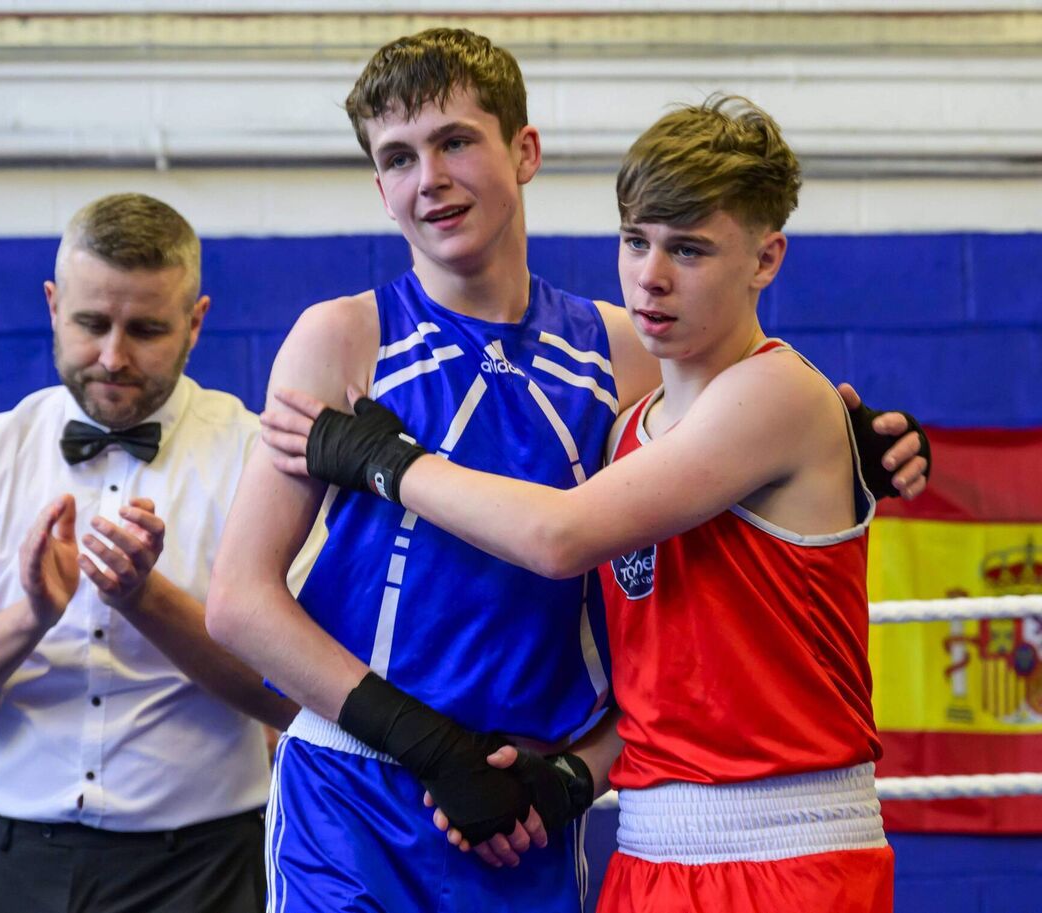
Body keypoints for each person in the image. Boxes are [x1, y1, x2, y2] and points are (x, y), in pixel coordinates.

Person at [205, 29, 924, 913]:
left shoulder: (628, 352)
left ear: (526, 151)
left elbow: (662, 568)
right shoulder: (345, 336)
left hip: (530, 810)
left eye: (456, 141)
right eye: (397, 156)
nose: (428, 176)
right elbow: (239, 598)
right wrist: (423, 742)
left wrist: (863, 442)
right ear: (379, 186)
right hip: (355, 794)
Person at [0, 193, 297, 913]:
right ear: (52, 303)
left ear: (196, 322)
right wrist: (29, 616)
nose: (113, 356)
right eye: (90, 323)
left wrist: (147, 599)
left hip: (206, 869)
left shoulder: (255, 456)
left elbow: (298, 697)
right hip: (21, 862)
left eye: (146, 329)